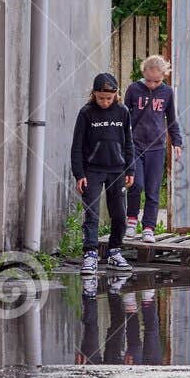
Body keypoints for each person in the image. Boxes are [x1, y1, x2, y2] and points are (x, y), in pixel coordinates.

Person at [71, 72, 135, 274]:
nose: (105, 102)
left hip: (117, 170)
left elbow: (129, 143)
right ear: (94, 94)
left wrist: (130, 169)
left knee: (119, 215)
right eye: (101, 98)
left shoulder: (123, 112)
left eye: (109, 98)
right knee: (92, 214)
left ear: (116, 95)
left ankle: (114, 251)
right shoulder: (86, 113)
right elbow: (77, 146)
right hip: (93, 171)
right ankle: (90, 254)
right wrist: (79, 174)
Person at [124, 55, 183, 241]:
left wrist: (177, 142)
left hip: (156, 147)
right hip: (134, 144)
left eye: (156, 81)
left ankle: (149, 227)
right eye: (148, 80)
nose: (151, 85)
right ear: (143, 74)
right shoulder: (133, 89)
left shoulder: (167, 92)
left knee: (152, 189)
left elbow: (172, 119)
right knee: (136, 184)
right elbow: (124, 117)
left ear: (164, 76)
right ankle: (131, 220)